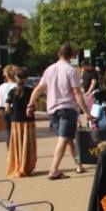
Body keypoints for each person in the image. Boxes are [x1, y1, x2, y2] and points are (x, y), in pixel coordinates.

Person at [27, 42, 91, 179]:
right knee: (64, 139)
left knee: (67, 138)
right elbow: (77, 93)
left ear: (58, 54)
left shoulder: (49, 69)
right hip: (67, 108)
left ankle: (78, 164)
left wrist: (30, 104)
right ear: (72, 55)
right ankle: (54, 170)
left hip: (53, 109)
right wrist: (86, 111)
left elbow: (38, 88)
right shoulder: (71, 70)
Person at [5, 68, 36, 178]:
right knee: (28, 145)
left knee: (17, 145)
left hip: (16, 121)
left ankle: (18, 166)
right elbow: (34, 106)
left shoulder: (12, 91)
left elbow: (7, 108)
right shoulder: (30, 90)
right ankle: (27, 166)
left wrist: (12, 113)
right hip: (28, 121)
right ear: (26, 78)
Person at [0, 65, 17, 144]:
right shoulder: (16, 86)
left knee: (8, 130)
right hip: (14, 109)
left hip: (3, 109)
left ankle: (9, 151)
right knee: (16, 130)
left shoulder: (2, 86)